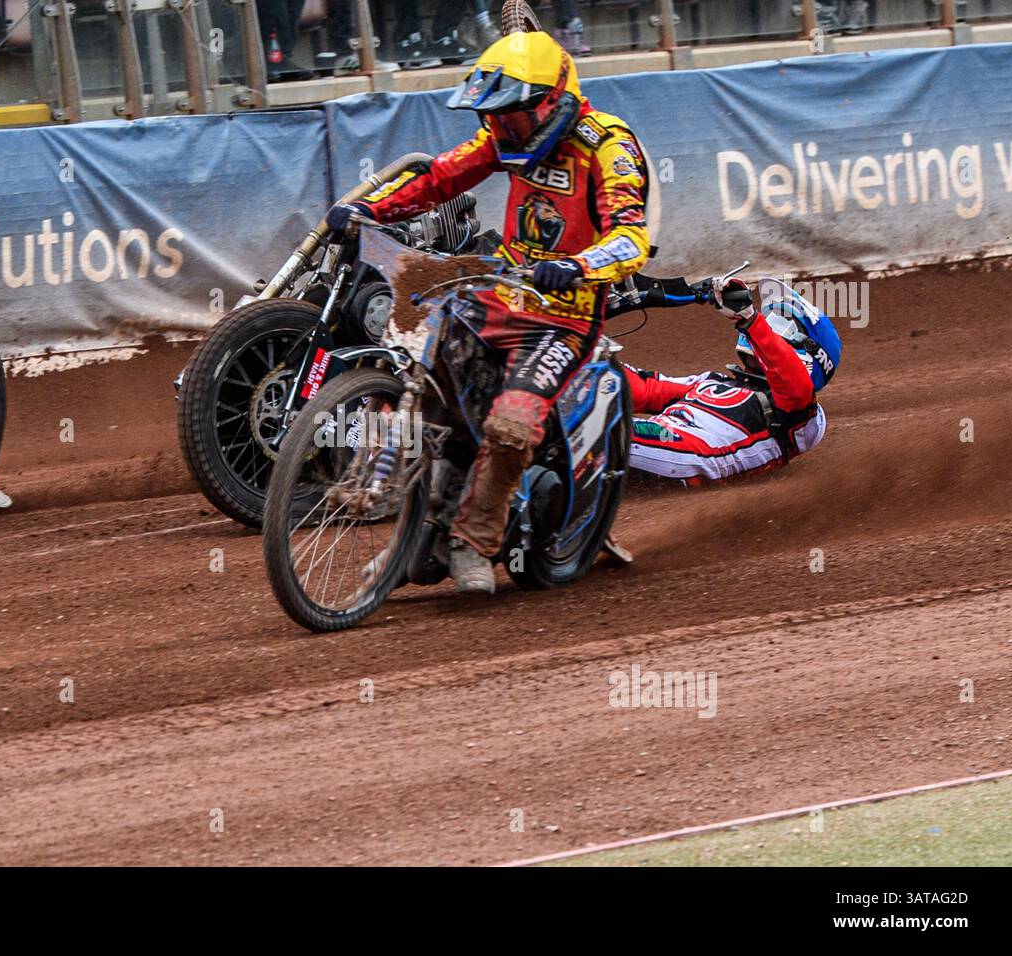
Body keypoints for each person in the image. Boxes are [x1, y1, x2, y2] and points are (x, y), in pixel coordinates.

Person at [326, 29, 650, 594]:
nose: (501, 130)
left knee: (510, 423)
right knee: (419, 363)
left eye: (511, 118)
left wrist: (577, 265)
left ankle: (471, 543)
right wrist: (364, 209)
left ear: (552, 103)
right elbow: (439, 177)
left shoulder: (607, 146)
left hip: (562, 319)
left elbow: (632, 238)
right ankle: (398, 510)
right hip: (499, 296)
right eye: (494, 119)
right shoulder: (505, 137)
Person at [626, 277, 842, 485]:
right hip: (656, 434)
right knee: (601, 398)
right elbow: (646, 389)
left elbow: (794, 384)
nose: (769, 327)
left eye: (782, 327)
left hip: (688, 451)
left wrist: (750, 319)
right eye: (769, 322)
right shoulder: (713, 380)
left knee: (606, 430)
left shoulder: (803, 416)